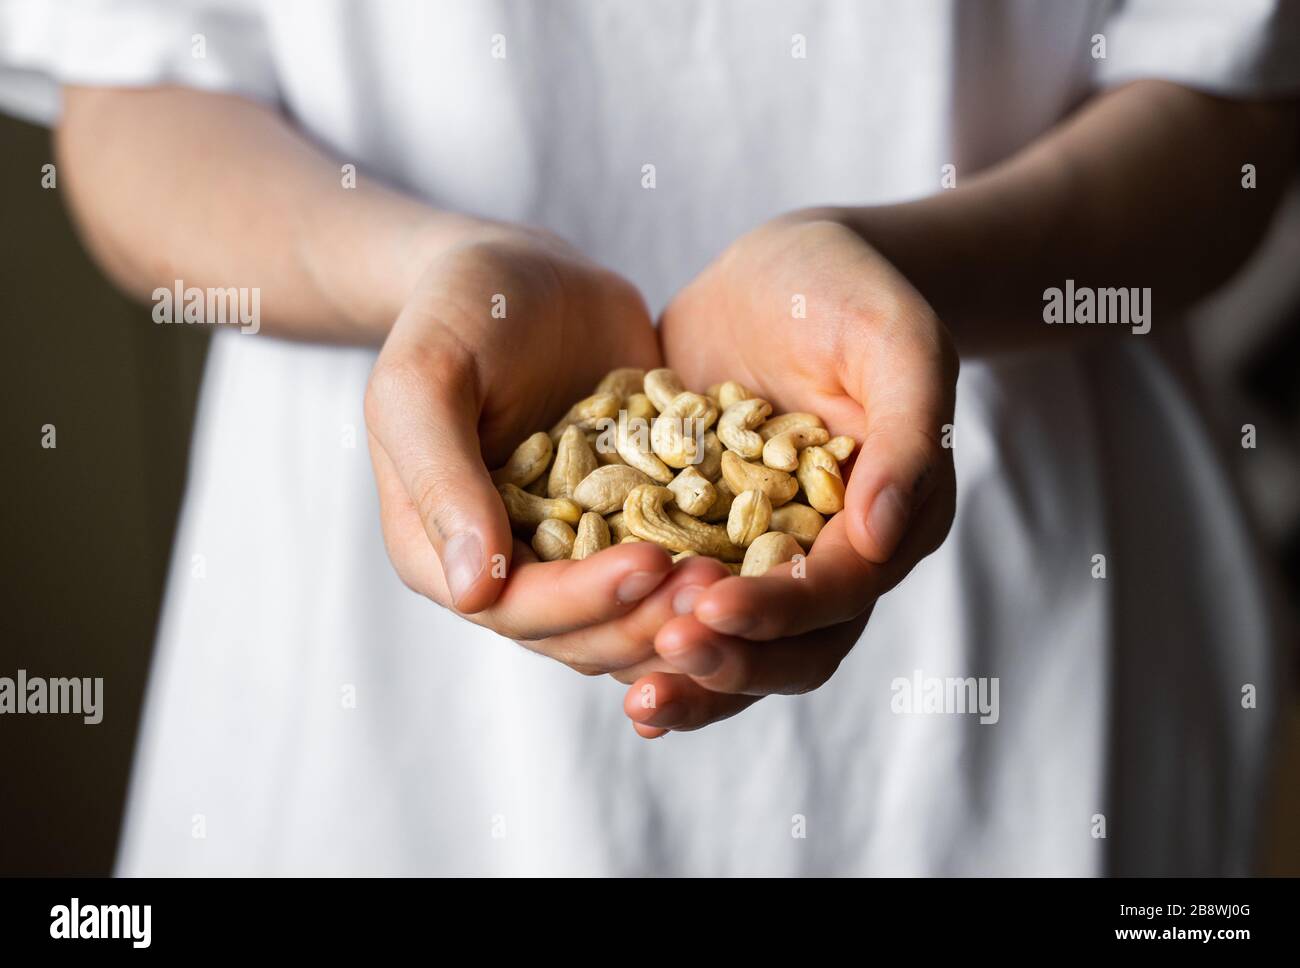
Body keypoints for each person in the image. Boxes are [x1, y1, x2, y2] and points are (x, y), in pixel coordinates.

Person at [2, 0, 1296, 875]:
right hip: (366, 645)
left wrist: (911, 272)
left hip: (1024, 614)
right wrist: (424, 278)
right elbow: (135, 93)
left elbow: (1234, 100)